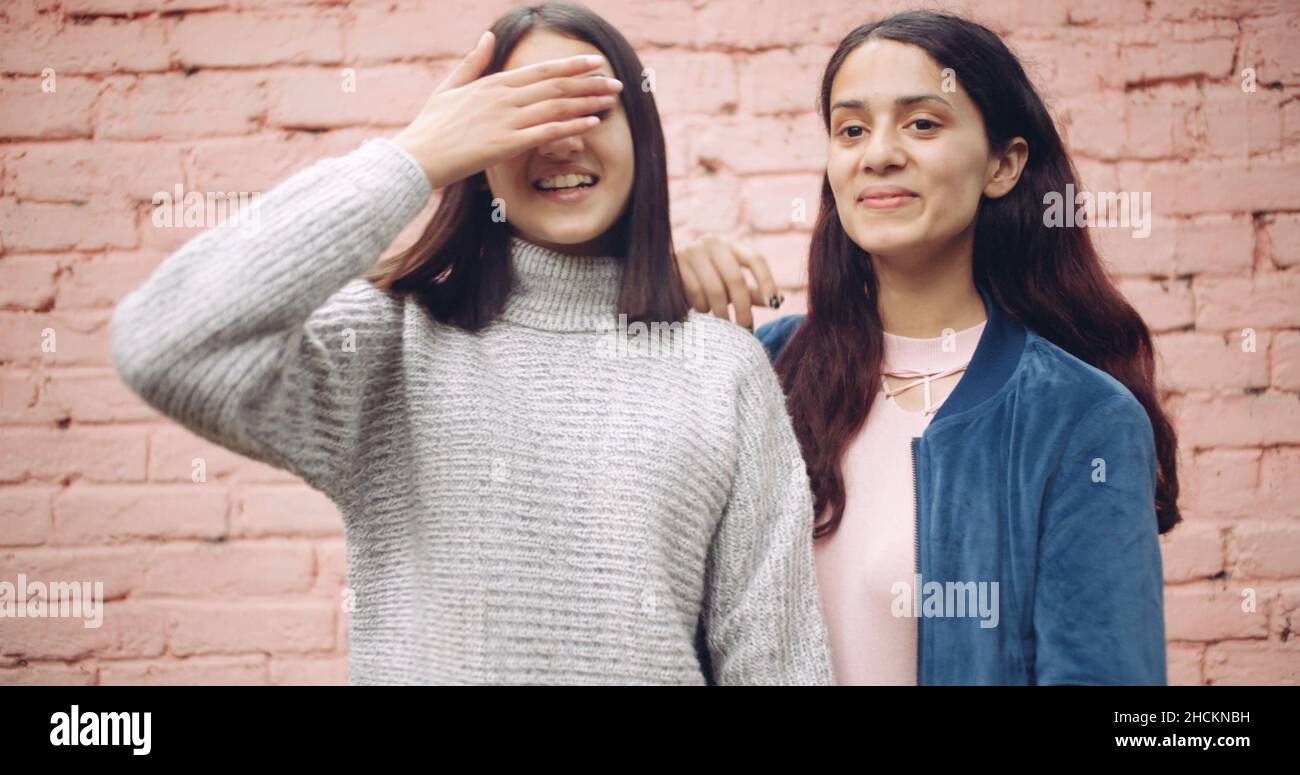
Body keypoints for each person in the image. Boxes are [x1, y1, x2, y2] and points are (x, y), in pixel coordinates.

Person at [110, 2, 833, 685]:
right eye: (523, 112)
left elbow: (774, 657)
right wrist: (410, 159)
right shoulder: (392, 342)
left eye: (589, 106)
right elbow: (162, 344)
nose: (562, 138)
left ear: (642, 138)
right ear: (478, 151)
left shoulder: (723, 368)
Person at [676, 10, 1177, 685]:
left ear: (1003, 164)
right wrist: (649, 305)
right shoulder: (763, 370)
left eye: (922, 123)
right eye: (851, 129)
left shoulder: (1081, 419)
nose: (878, 152)